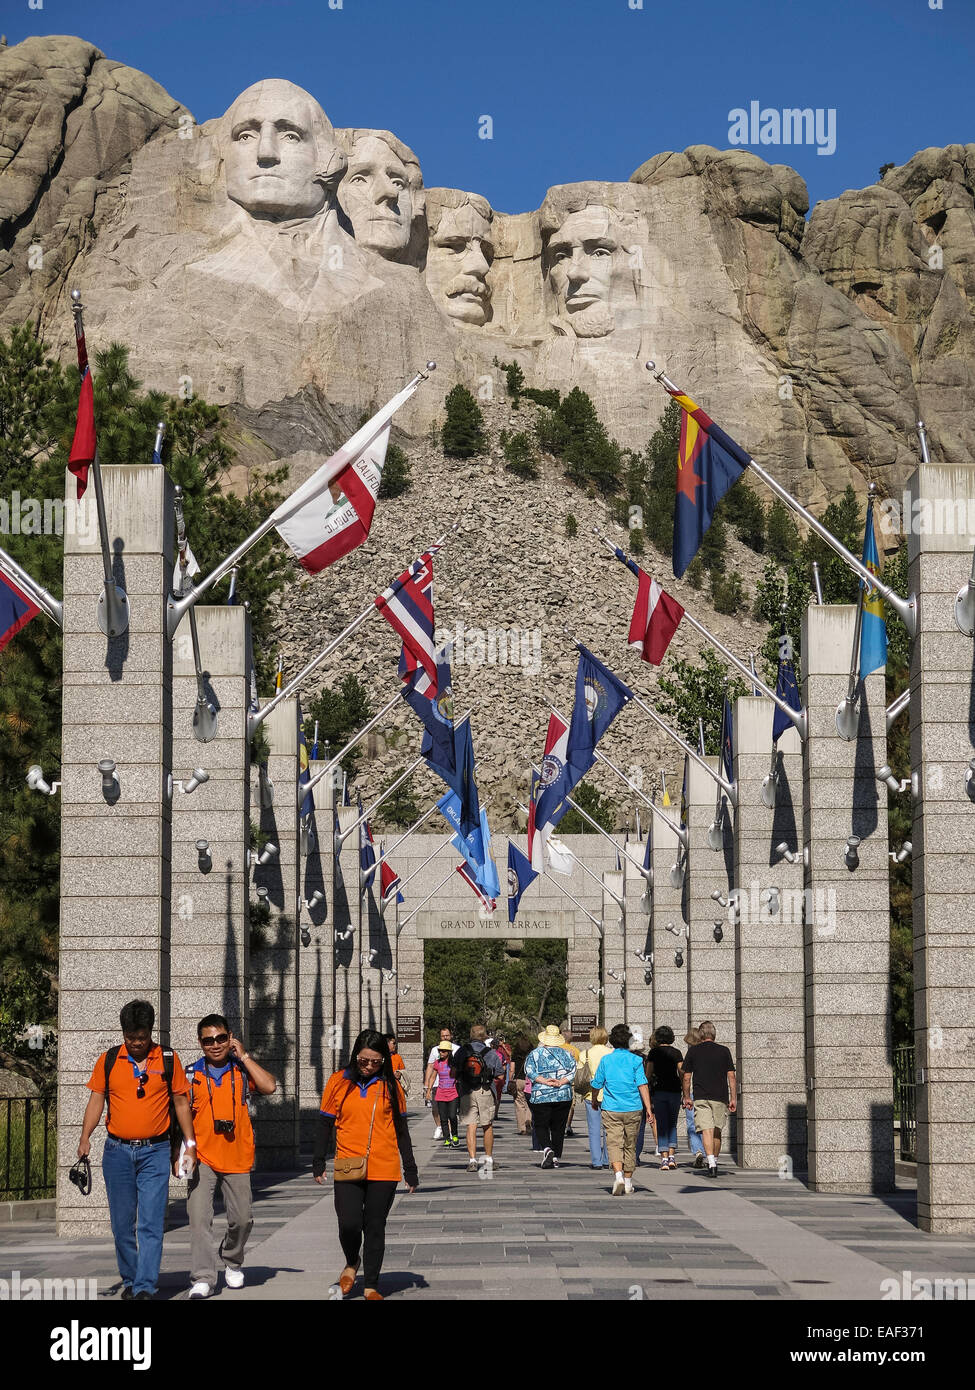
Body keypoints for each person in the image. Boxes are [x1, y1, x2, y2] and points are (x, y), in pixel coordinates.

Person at [77, 999, 196, 1300]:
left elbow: (182, 1102)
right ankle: (130, 1279)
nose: (136, 1043)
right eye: (130, 1038)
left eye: (141, 1037)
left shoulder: (168, 1059)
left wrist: (189, 1144)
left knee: (151, 1222)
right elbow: (96, 1100)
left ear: (150, 1032)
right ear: (123, 1033)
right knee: (121, 1225)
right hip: (116, 1152)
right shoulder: (109, 1059)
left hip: (154, 1152)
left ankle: (145, 1287)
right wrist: (84, 1137)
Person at [314, 1029, 418, 1300]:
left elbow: (402, 1129)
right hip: (348, 1163)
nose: (370, 1066)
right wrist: (317, 1161)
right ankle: (352, 1261)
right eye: (364, 1060)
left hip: (384, 1165)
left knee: (375, 1225)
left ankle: (371, 1284)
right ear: (355, 1056)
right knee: (348, 1223)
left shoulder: (390, 1086)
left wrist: (411, 1169)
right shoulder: (339, 1081)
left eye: (376, 1062)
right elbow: (325, 1123)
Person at [184, 1014, 277, 1298]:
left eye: (221, 1038)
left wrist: (245, 1056)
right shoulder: (191, 1075)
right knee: (199, 1219)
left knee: (243, 1218)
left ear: (230, 1037)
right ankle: (203, 1276)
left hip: (237, 1156)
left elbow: (270, 1086)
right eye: (208, 1040)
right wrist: (185, 1150)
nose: (215, 1045)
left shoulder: (241, 1071)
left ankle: (232, 1259)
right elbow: (179, 1113)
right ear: (200, 1043)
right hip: (203, 1158)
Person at [589, 1024, 653, 1195]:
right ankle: (628, 1181)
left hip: (611, 1108)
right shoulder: (636, 1060)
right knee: (630, 1145)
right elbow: (642, 1085)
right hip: (633, 1108)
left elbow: (597, 1083)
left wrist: (595, 1100)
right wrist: (649, 1109)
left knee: (614, 1143)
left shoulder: (606, 1060)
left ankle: (618, 1175)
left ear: (612, 1041)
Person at [681, 1020, 737, 1178]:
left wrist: (686, 1096)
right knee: (717, 1130)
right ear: (714, 1034)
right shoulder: (724, 1051)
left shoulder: (693, 1051)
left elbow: (686, 1077)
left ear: (700, 1035)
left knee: (706, 1130)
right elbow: (731, 1076)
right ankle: (715, 1161)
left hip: (701, 1097)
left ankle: (711, 1162)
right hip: (720, 1097)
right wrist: (733, 1098)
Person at [451, 1025, 504, 1173]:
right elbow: (500, 1076)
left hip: (466, 1091)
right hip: (484, 1090)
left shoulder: (462, 1051)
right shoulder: (491, 1053)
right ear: (484, 1036)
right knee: (487, 1125)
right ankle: (488, 1159)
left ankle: (472, 1160)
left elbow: (452, 1074)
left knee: (471, 1126)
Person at [524, 1025, 577, 1169]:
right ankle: (555, 1157)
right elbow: (573, 1072)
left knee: (541, 1124)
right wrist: (560, 1081)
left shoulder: (535, 1054)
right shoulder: (567, 1054)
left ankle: (547, 1148)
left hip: (541, 1094)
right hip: (563, 1094)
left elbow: (529, 1072)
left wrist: (544, 1081)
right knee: (558, 1127)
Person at [645, 1026, 683, 1172]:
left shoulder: (653, 1052)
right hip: (674, 1090)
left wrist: (647, 1088)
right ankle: (672, 1157)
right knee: (672, 1123)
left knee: (661, 1124)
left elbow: (648, 1074)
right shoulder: (676, 1052)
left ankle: (664, 1159)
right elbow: (682, 1072)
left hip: (659, 1090)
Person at [578, 1026, 612, 1169]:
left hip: (590, 1094)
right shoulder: (611, 1052)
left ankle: (596, 1161)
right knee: (609, 1129)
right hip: (609, 1095)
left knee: (593, 1129)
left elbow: (579, 1074)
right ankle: (607, 1159)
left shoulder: (585, 1053)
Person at [425, 1041, 460, 1145]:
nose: (441, 1053)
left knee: (453, 1116)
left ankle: (454, 1134)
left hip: (453, 1093)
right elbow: (433, 1077)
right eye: (440, 1051)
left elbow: (456, 1076)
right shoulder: (437, 1063)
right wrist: (428, 1090)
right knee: (443, 1118)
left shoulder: (454, 1063)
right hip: (441, 1093)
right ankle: (446, 1138)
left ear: (449, 1052)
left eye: (444, 1051)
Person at [681, 1028, 707, 1168]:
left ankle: (698, 1151)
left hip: (692, 1093)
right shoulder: (708, 1053)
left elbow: (686, 1077)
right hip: (707, 1093)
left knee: (692, 1124)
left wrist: (685, 1096)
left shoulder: (691, 1054)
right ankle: (706, 1153)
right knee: (705, 1125)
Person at [508, 1033, 534, 1136]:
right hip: (530, 1080)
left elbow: (512, 1069)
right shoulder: (532, 1054)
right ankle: (529, 1120)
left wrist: (511, 1080)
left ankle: (522, 1127)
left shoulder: (515, 1054)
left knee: (519, 1103)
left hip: (518, 1080)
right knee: (529, 1103)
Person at [492, 1033, 511, 1121]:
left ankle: (490, 1113)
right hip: (499, 1078)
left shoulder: (488, 1054)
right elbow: (503, 1067)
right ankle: (495, 1113)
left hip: (490, 1078)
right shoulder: (500, 1054)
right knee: (498, 1096)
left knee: (490, 1096)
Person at [386, 1032, 409, 1100]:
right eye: (394, 1043)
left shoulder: (397, 1057)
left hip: (396, 1089)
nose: (395, 1045)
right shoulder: (379, 1057)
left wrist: (400, 1073)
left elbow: (403, 1070)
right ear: (387, 1044)